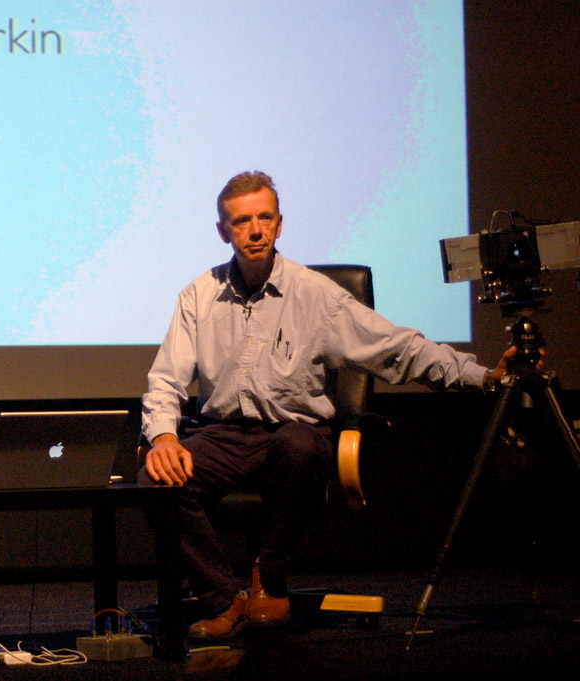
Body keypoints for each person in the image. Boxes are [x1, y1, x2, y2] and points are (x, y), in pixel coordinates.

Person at [139, 171, 519, 642]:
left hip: (293, 431)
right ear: (224, 231)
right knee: (155, 480)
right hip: (224, 432)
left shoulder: (315, 294)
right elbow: (165, 378)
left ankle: (269, 576)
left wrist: (484, 377)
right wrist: (164, 436)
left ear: (279, 225)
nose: (255, 230)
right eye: (242, 221)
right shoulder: (199, 295)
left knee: (299, 447)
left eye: (265, 218)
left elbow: (397, 348)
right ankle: (224, 598)